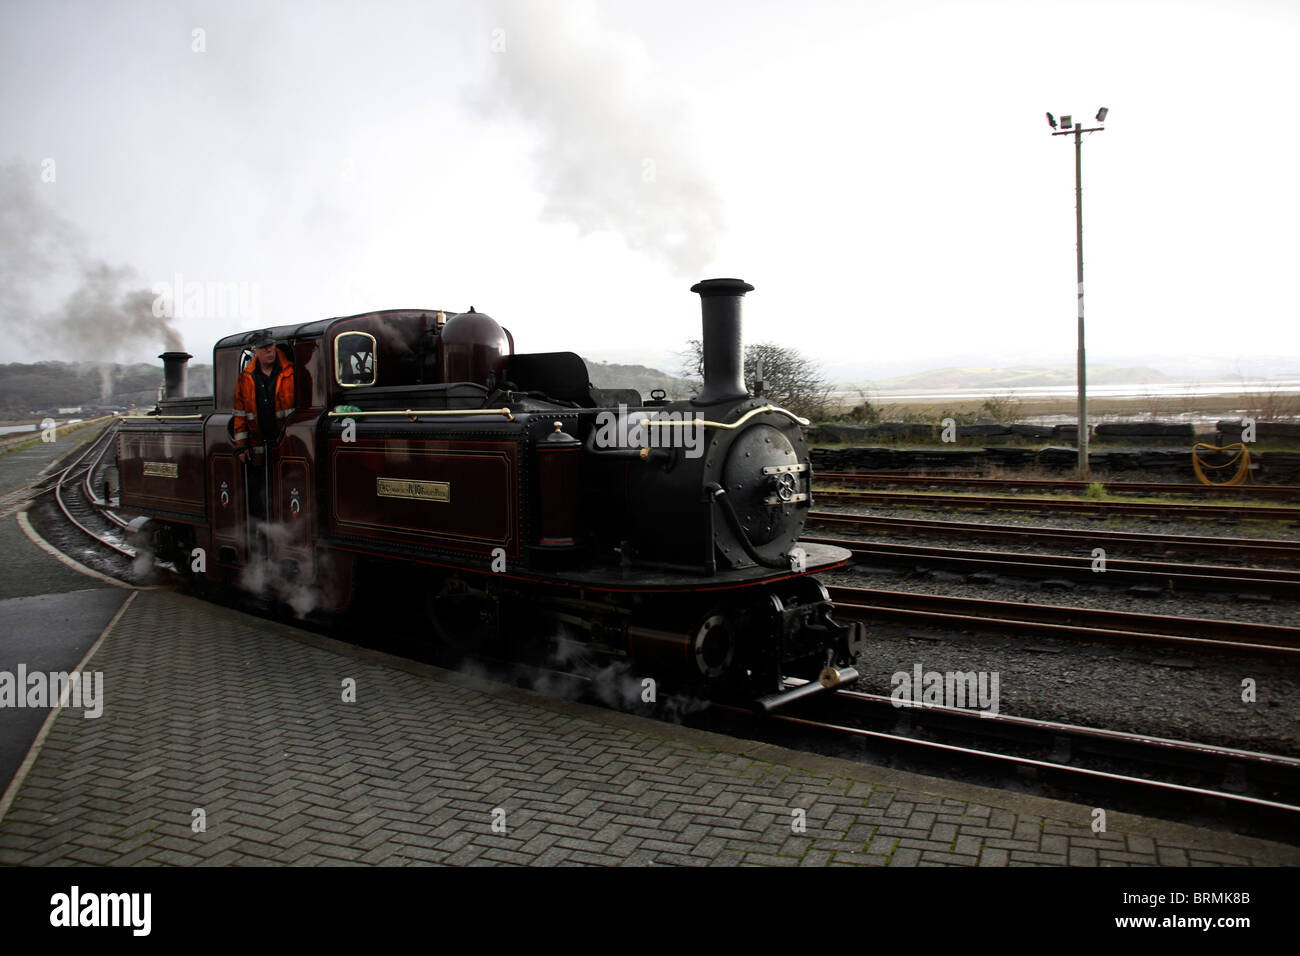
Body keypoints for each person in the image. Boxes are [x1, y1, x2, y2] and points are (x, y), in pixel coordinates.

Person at [232, 330, 295, 522]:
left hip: (287, 445)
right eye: (264, 348)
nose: (269, 350)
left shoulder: (291, 372)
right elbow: (240, 414)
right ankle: (263, 532)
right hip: (258, 448)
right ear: (255, 351)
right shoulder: (246, 378)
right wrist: (241, 446)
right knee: (260, 496)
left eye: (271, 346)